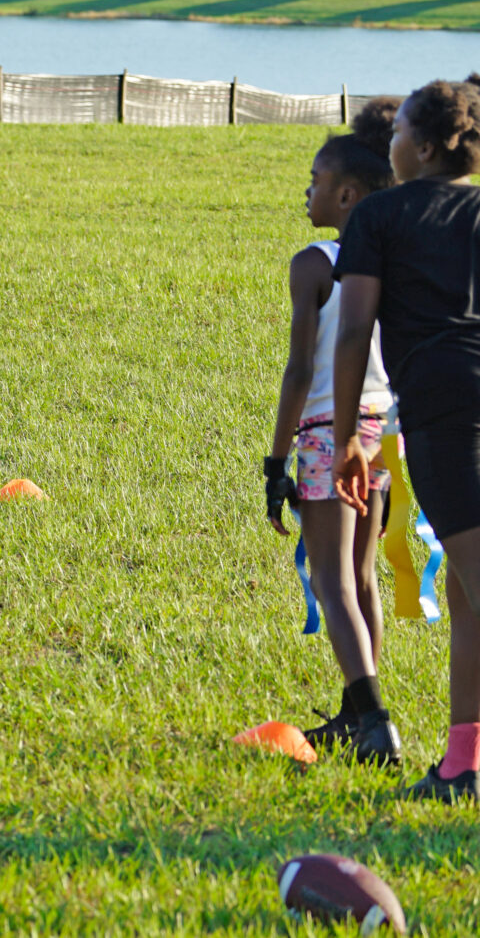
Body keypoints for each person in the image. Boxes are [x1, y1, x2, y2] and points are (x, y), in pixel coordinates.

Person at [333, 78, 480, 799]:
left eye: (398, 135)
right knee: (463, 588)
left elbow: (356, 327)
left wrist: (345, 437)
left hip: (447, 409)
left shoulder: (380, 215)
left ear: (422, 148)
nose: (387, 144)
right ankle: (461, 765)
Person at [263, 100, 401, 762]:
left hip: (325, 429)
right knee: (363, 578)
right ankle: (359, 709)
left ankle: (373, 723)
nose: (307, 189)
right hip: (380, 431)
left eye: (315, 179)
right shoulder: (397, 261)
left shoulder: (313, 263)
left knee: (330, 581)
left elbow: (298, 371)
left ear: (347, 195)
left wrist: (275, 458)